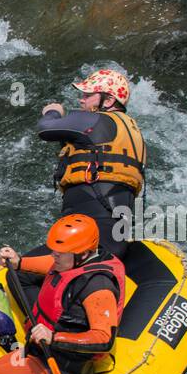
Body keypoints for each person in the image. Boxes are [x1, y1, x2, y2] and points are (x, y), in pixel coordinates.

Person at [0, 214, 125, 374]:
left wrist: (53, 337)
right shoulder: (74, 261)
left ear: (82, 254)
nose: (54, 256)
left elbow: (103, 339)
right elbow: (52, 264)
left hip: (62, 366)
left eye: (60, 253)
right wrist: (18, 262)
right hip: (41, 351)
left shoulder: (99, 287)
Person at [37, 68, 146, 260]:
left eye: (88, 94)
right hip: (115, 227)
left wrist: (53, 111)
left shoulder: (95, 119)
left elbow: (45, 129)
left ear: (109, 100)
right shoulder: (131, 131)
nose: (82, 99)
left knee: (21, 271)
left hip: (90, 224)